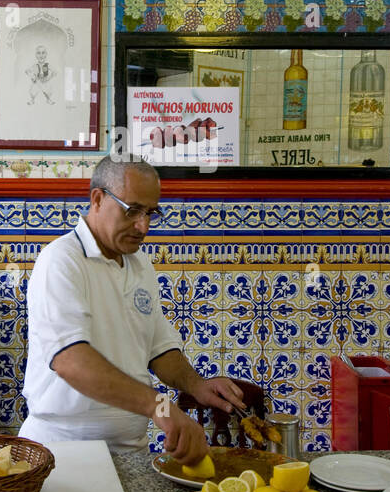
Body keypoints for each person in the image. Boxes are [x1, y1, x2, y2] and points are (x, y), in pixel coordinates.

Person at [19, 156, 244, 462]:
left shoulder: (140, 265)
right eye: (133, 211)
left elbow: (158, 348)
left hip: (130, 451)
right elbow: (71, 361)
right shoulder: (61, 262)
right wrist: (158, 406)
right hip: (64, 452)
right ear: (97, 199)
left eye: (151, 213)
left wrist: (197, 384)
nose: (143, 226)